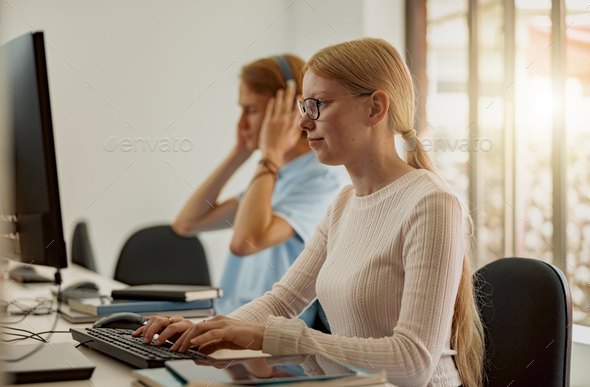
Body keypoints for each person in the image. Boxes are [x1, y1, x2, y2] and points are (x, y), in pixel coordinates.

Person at [135, 38, 485, 387]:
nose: (303, 123)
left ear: (375, 108)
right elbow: (283, 300)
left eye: (318, 105)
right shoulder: (344, 204)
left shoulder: (432, 204)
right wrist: (205, 332)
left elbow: (412, 364)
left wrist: (278, 339)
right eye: (304, 106)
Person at [170, 54, 348, 329]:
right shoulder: (272, 176)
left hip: (268, 340)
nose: (241, 122)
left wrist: (270, 154)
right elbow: (186, 224)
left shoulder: (321, 179)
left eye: (250, 111)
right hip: (227, 324)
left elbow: (247, 242)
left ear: (290, 110)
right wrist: (239, 153)